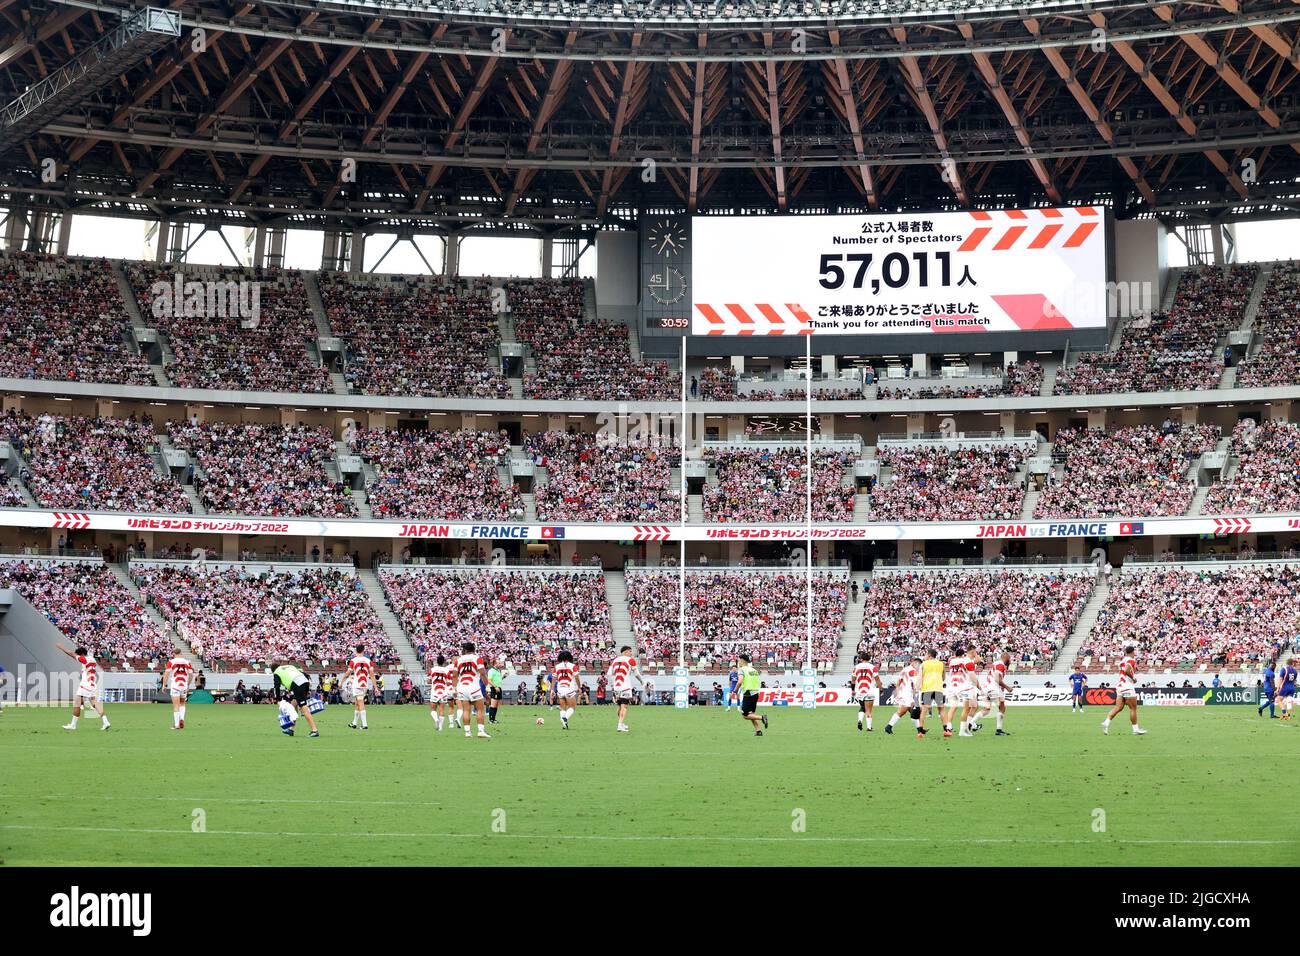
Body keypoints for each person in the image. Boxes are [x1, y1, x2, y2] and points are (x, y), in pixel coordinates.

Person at [57, 643, 110, 731]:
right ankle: (106, 722)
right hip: (93, 684)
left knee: (77, 703)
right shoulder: (92, 659)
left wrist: (62, 647)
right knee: (96, 704)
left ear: (81, 654)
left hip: (86, 684)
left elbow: (71, 654)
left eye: (78, 654)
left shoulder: (84, 659)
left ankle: (73, 725)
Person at [1102, 645, 1145, 736]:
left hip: (1120, 686)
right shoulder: (1131, 660)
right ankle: (1135, 729)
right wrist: (1133, 678)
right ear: (1133, 652)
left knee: (1119, 707)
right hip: (1127, 686)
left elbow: (1123, 670)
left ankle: (1106, 722)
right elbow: (1126, 670)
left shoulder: (1122, 660)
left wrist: (1134, 669)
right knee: (1133, 708)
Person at [454, 640, 492, 739]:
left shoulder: (458, 660)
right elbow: (483, 673)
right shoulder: (477, 659)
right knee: (480, 709)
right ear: (474, 650)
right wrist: (487, 686)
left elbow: (454, 676)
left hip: (462, 687)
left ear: (465, 650)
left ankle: (467, 732)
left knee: (466, 710)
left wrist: (454, 688)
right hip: (474, 687)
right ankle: (480, 731)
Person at [271, 662, 320, 737]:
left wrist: (278, 699)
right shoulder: (289, 666)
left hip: (298, 685)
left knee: (303, 708)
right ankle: (291, 730)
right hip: (305, 682)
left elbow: (276, 686)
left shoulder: (276, 672)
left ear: (273, 671)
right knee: (293, 705)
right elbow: (304, 674)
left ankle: (314, 730)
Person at [884, 656, 924, 738]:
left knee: (914, 711)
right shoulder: (912, 671)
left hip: (903, 692)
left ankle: (920, 729)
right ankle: (888, 727)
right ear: (915, 663)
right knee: (902, 711)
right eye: (919, 665)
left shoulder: (905, 669)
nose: (919, 667)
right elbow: (916, 684)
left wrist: (898, 693)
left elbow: (898, 682)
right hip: (906, 693)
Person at [608, 645, 642, 733]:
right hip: (625, 686)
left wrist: (612, 684)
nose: (632, 653)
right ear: (626, 652)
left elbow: (609, 674)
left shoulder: (614, 660)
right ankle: (620, 725)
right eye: (630, 651)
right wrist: (642, 681)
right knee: (624, 706)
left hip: (616, 686)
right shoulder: (630, 660)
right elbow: (637, 674)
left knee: (619, 705)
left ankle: (621, 723)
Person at [162, 648, 194, 731]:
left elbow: (166, 674)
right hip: (183, 685)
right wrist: (188, 684)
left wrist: (164, 685)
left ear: (174, 654)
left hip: (175, 685)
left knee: (176, 706)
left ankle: (176, 725)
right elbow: (191, 675)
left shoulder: (171, 662)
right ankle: (182, 718)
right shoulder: (187, 662)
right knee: (182, 703)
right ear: (181, 653)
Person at [343, 644, 373, 730]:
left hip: (357, 684)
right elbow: (372, 675)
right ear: (363, 650)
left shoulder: (353, 660)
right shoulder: (368, 661)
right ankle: (354, 723)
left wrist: (342, 682)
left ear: (356, 651)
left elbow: (348, 673)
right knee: (357, 703)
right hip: (365, 684)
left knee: (360, 702)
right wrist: (375, 686)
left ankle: (364, 724)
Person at [736, 653, 766, 736]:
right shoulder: (753, 670)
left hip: (748, 693)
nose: (738, 661)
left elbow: (740, 681)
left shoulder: (741, 670)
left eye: (738, 659)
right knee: (751, 714)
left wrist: (735, 690)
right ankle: (758, 731)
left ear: (742, 660)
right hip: (756, 693)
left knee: (745, 715)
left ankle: (762, 718)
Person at [851, 653, 881, 732]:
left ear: (861, 659)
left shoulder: (856, 667)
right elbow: (877, 679)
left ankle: (860, 720)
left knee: (862, 707)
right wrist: (881, 688)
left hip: (860, 690)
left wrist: (853, 690)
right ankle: (869, 727)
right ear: (869, 659)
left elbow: (853, 680)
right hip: (869, 690)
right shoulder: (872, 667)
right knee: (868, 710)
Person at [427, 655, 456, 731]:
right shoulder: (446, 671)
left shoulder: (432, 670)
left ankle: (436, 719)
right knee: (442, 710)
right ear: (444, 662)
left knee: (433, 709)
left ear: (437, 661)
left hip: (435, 692)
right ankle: (440, 727)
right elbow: (449, 683)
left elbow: (428, 680)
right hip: (443, 692)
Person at [918, 648, 944, 730]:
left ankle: (921, 731)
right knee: (941, 710)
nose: (925, 656)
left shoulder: (923, 664)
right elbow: (943, 678)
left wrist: (918, 687)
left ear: (929, 655)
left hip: (927, 688)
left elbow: (919, 677)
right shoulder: (941, 664)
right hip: (938, 689)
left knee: (923, 710)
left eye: (926, 654)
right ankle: (946, 729)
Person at [554, 650, 580, 730]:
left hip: (560, 689)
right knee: (572, 707)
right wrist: (579, 687)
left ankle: (564, 724)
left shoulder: (557, 666)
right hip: (569, 689)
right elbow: (577, 677)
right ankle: (565, 718)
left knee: (563, 707)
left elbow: (554, 678)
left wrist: (552, 690)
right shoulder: (572, 666)